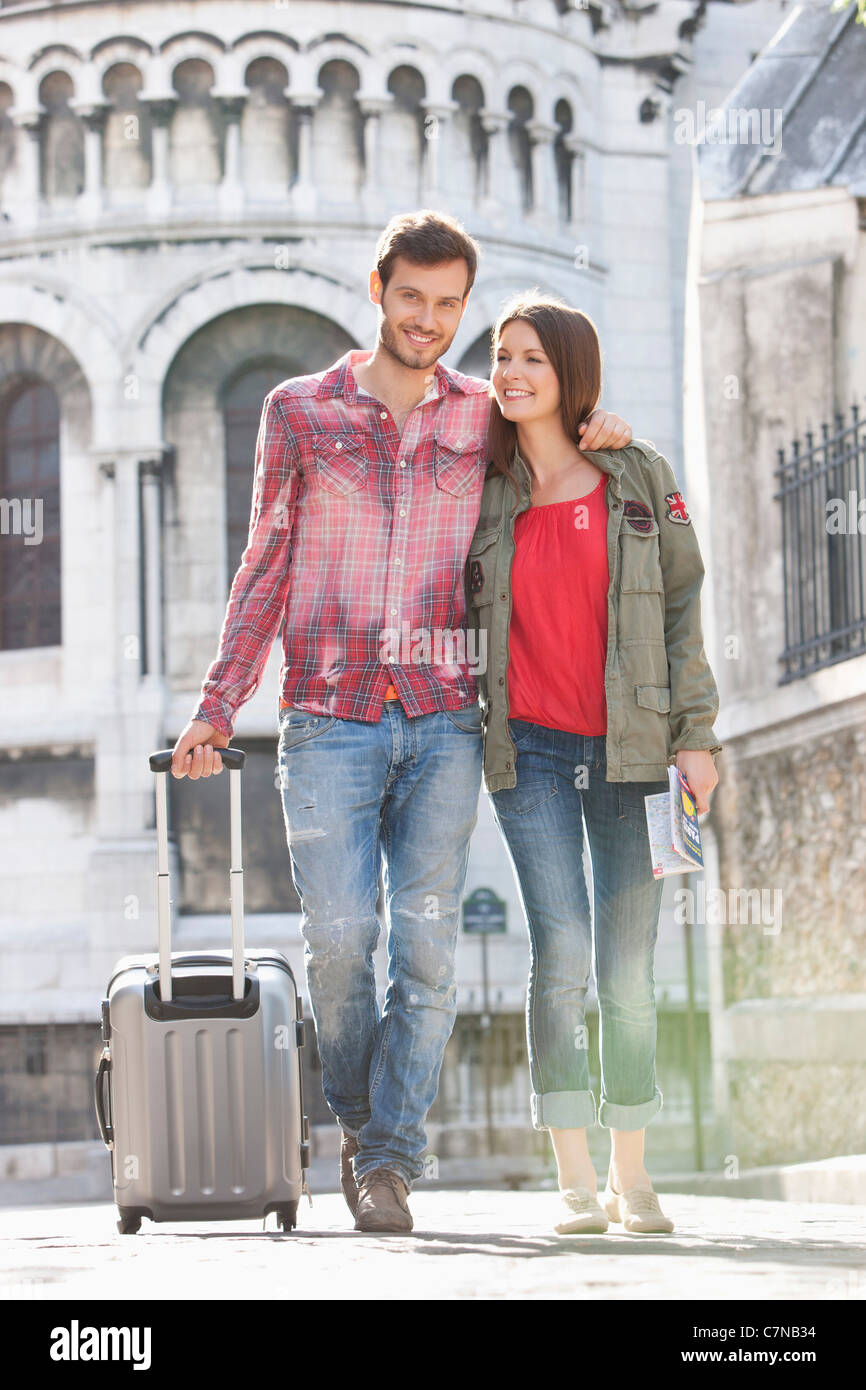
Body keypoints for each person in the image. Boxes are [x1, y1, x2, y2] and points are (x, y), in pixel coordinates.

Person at [170, 211, 633, 1234]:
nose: (428, 320)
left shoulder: (482, 415)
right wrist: (216, 706)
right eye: (411, 297)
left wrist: (606, 429)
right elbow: (264, 565)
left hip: (442, 721)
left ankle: (387, 1160)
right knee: (340, 938)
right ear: (376, 290)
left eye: (447, 303)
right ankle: (355, 1121)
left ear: (463, 307)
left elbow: (562, 449)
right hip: (327, 717)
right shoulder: (298, 412)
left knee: (422, 954)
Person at [465, 292, 721, 1236]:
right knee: (561, 949)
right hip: (526, 746)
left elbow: (684, 609)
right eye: (501, 358)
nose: (513, 374)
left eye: (532, 358)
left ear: (572, 371)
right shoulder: (480, 487)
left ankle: (634, 1172)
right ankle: (571, 1173)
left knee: (629, 967)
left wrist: (699, 734)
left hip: (635, 748)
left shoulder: (638, 477)